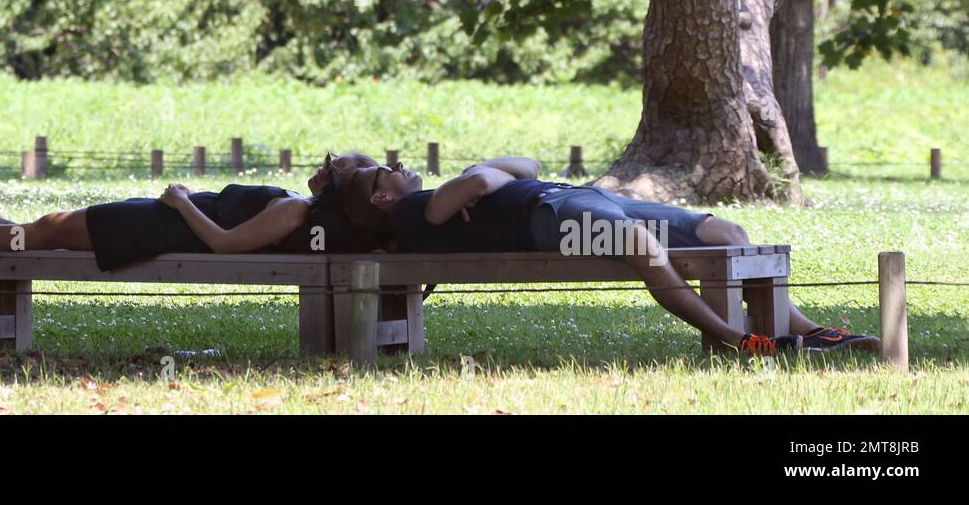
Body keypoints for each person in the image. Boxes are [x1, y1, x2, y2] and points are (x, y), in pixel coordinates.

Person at [335, 154, 878, 356]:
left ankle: (806, 331)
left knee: (729, 233)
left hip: (580, 197)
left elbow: (521, 163)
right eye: (388, 171)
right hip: (553, 222)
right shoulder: (412, 211)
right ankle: (742, 340)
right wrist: (485, 178)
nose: (400, 164)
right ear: (383, 198)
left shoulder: (430, 199)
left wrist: (489, 178)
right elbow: (482, 178)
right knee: (641, 248)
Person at [0, 152, 384, 271]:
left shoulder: (296, 210)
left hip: (165, 227)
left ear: (339, 185)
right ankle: (10, 231)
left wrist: (181, 201)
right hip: (166, 220)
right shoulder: (300, 207)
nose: (320, 168)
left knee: (51, 230)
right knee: (53, 227)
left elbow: (223, 242)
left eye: (331, 167)